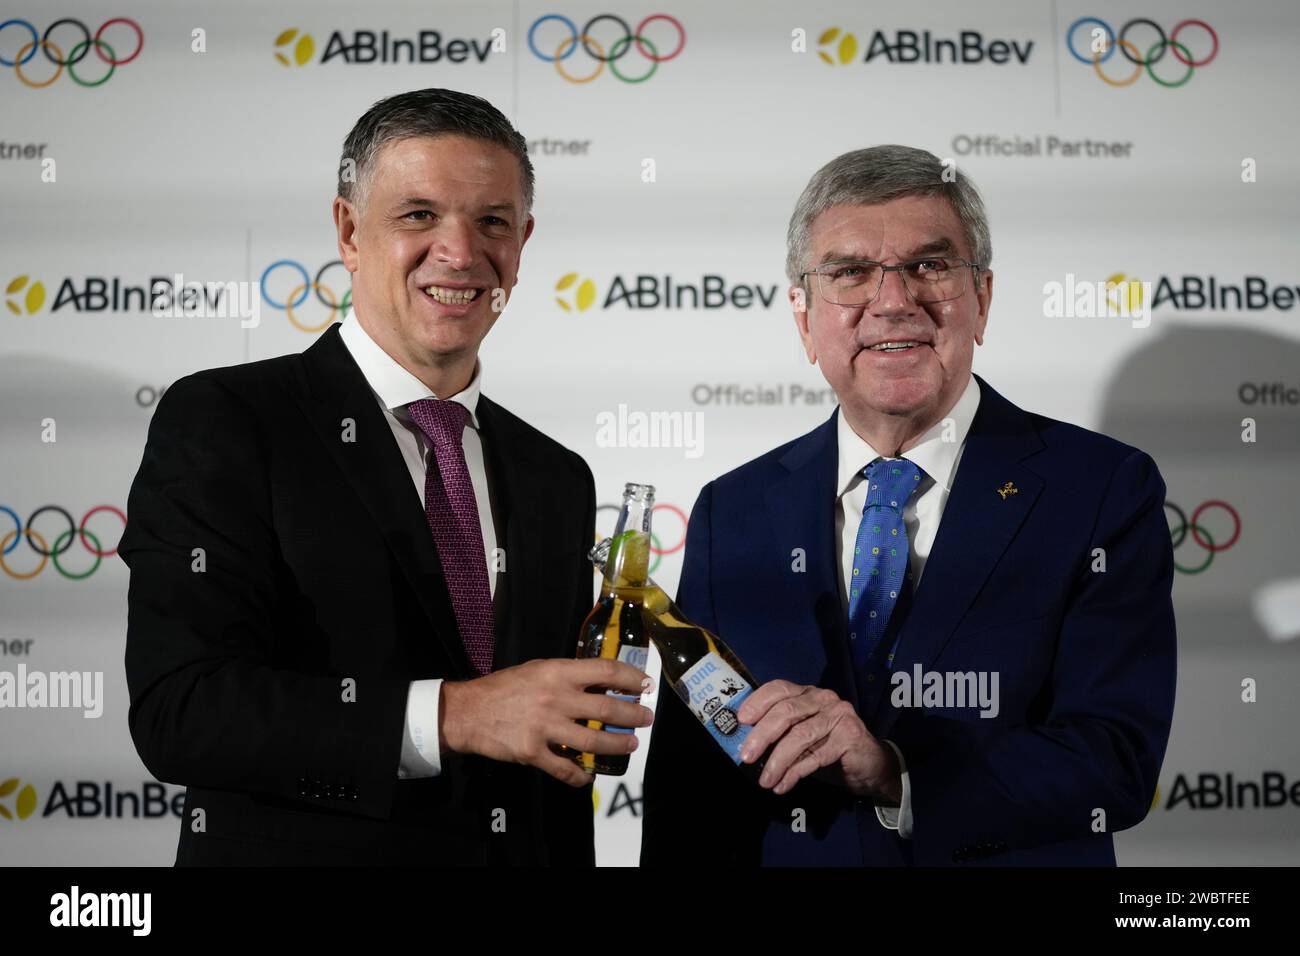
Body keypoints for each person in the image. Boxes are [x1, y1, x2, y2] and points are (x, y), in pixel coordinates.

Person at [120, 88, 652, 866]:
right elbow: (184, 711)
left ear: (524, 240)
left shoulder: (555, 475)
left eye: (492, 222)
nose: (462, 252)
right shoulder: (230, 420)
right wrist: (453, 715)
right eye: (419, 215)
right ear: (348, 231)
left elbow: (549, 756)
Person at [640, 145, 1176, 866]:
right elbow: (689, 788)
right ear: (804, 316)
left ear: (981, 299)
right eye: (850, 272)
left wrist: (893, 771)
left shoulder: (1103, 489)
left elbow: (1116, 758)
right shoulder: (730, 509)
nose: (893, 301)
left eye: (929, 266)